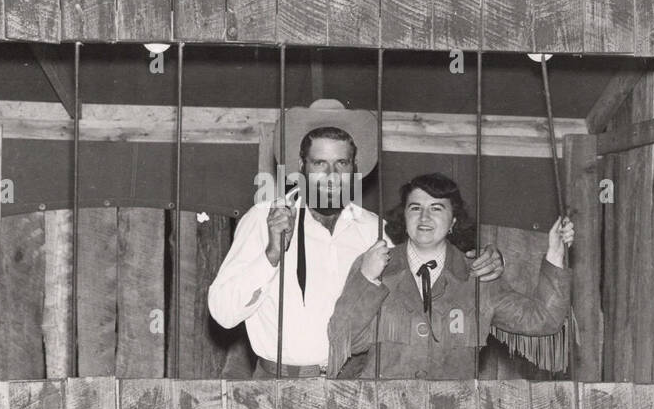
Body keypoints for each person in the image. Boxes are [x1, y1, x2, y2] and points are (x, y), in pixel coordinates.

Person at [207, 100, 507, 377]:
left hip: (356, 385)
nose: (331, 175)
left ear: (355, 169)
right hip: (279, 385)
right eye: (319, 164)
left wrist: (478, 263)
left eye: (341, 164)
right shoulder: (263, 219)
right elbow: (223, 314)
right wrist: (272, 253)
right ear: (301, 167)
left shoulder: (376, 230)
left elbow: (430, 272)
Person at [327, 172, 574, 380]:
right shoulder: (373, 266)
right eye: (415, 208)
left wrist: (555, 254)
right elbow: (343, 339)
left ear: (453, 220)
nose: (424, 217)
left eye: (436, 208)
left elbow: (544, 319)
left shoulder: (478, 275)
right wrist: (367, 280)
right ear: (404, 216)